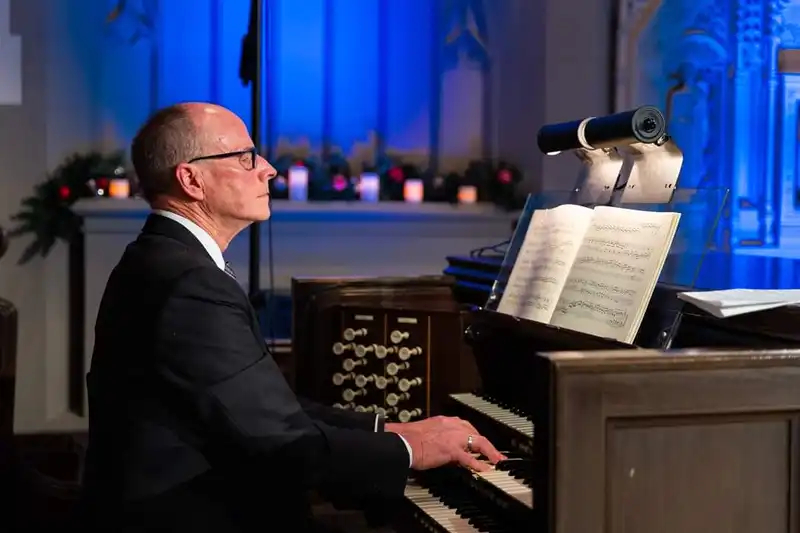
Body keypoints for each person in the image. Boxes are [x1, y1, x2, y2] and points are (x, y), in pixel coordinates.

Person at [81, 102, 504, 533]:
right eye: (245, 158)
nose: (268, 169)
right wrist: (410, 450)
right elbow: (278, 444)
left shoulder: (164, 261)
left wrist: (389, 427)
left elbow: (264, 407)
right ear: (191, 179)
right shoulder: (189, 283)